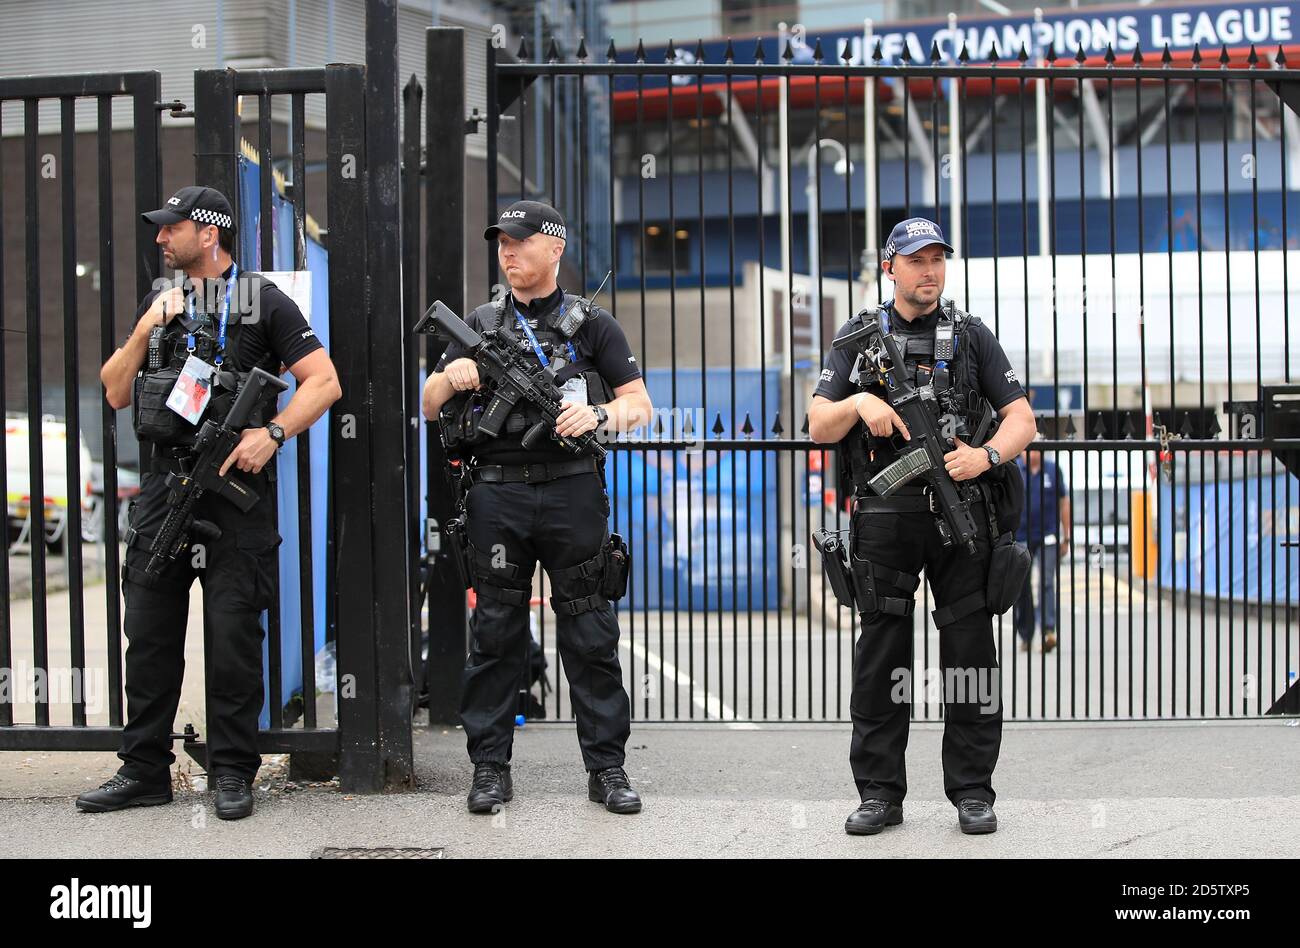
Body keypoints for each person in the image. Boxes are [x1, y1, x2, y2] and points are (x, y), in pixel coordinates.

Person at [80, 186, 341, 820]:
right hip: (165, 489)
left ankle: (233, 770)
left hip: (234, 494)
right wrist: (147, 325)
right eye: (159, 228)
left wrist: (272, 433)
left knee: (232, 634)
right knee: (147, 634)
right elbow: (115, 392)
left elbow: (325, 381)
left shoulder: (263, 301)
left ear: (210, 233)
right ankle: (144, 768)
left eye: (172, 228)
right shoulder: (159, 302)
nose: (160, 238)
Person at [421, 200, 652, 815]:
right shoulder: (481, 321)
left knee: (590, 629)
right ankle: (490, 769)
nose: (507, 251)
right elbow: (427, 402)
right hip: (496, 491)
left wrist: (598, 414)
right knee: (495, 631)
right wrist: (455, 373)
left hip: (572, 489)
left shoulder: (592, 324)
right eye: (501, 241)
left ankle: (607, 769)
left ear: (555, 248)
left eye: (520, 241)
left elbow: (640, 405)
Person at [808, 217, 1037, 836]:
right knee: (882, 657)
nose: (930, 270)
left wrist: (984, 457)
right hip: (884, 517)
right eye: (916, 260)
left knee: (969, 655)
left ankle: (971, 790)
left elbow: (1022, 419)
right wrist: (859, 402)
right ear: (890, 267)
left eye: (938, 259)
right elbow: (818, 424)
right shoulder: (857, 339)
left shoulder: (970, 335)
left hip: (962, 513)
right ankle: (880, 792)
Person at [1013, 441, 1071, 653]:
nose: (1031, 453)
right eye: (1028, 448)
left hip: (1048, 536)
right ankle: (1026, 634)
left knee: (1046, 582)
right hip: (1020, 536)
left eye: (1035, 448)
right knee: (1022, 587)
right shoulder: (1016, 468)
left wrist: (1067, 536)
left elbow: (1064, 502)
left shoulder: (1052, 470)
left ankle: (1048, 631)